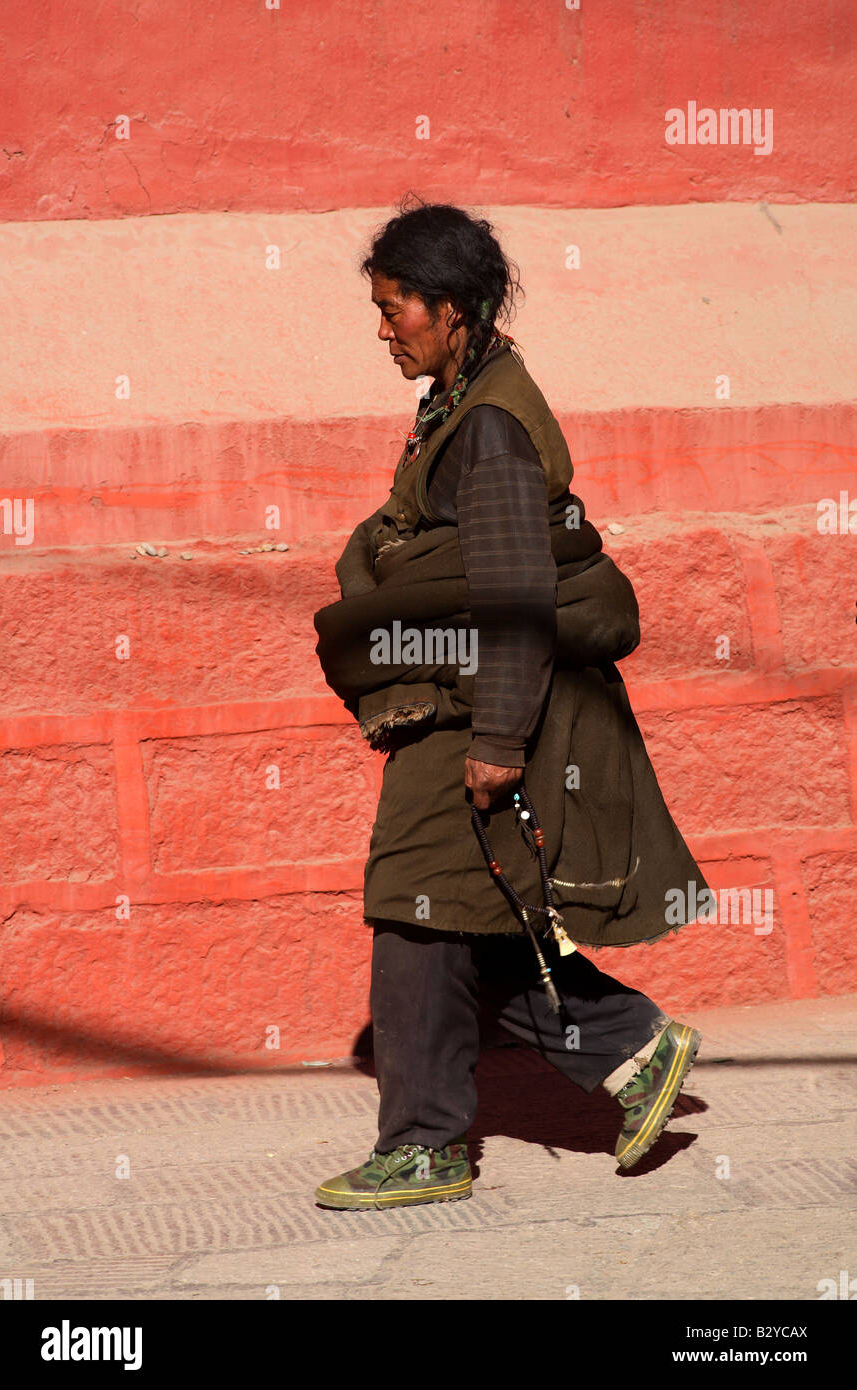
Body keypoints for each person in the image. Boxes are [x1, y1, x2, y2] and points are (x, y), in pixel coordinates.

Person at [313, 198, 705, 1211]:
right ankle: (627, 1046)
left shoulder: (486, 422)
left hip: (481, 711)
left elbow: (515, 593)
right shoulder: (457, 400)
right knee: (464, 919)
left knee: (411, 906)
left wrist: (496, 738)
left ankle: (425, 1142)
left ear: (450, 308)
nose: (383, 325)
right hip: (455, 701)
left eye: (394, 307)